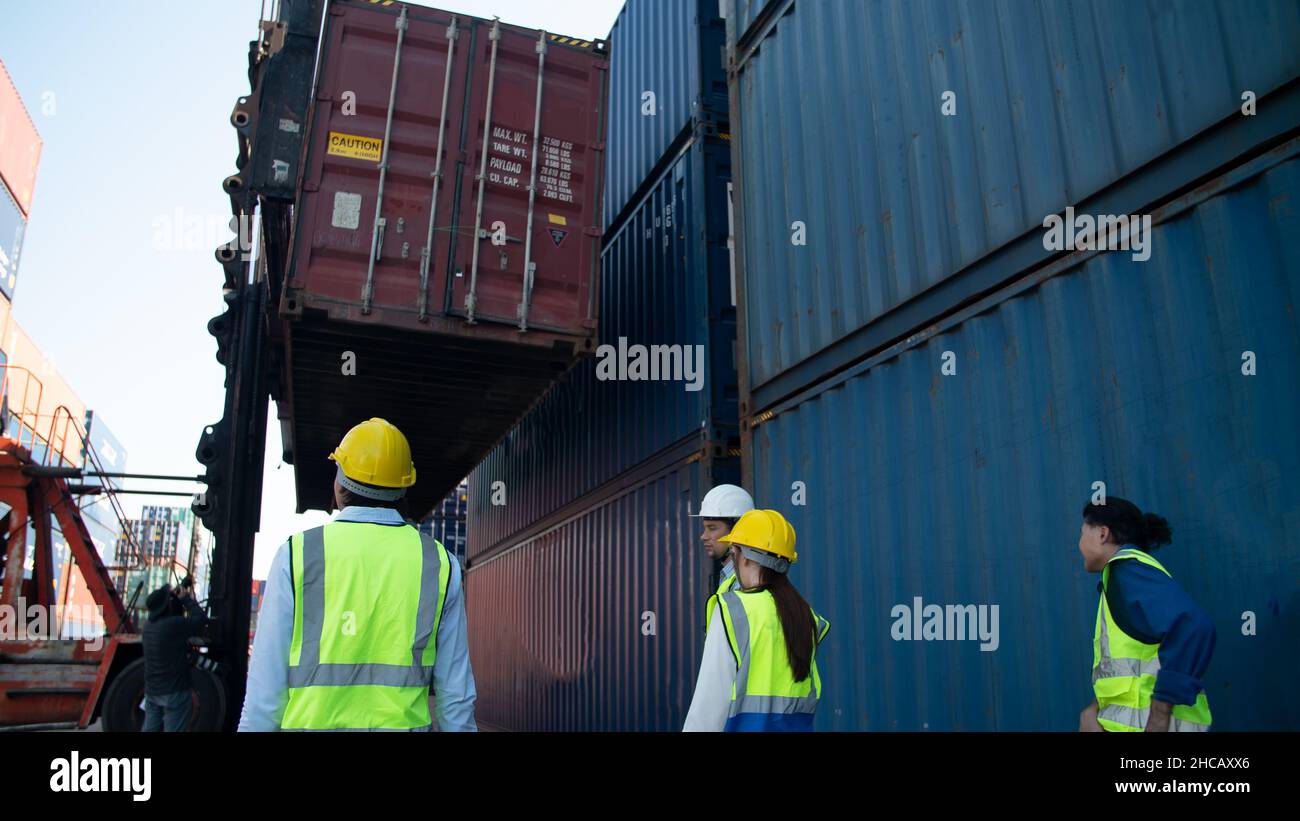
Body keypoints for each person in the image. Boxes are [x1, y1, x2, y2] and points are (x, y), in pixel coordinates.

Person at [238, 417, 477, 731]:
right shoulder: (439, 564)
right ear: (405, 486)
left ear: (339, 483)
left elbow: (264, 689)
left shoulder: (297, 554)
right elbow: (455, 696)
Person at [683, 509, 829, 731]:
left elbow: (709, 705)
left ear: (747, 556)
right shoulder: (806, 616)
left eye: (734, 551)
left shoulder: (734, 611)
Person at [1077, 496, 1214, 732]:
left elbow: (1194, 626)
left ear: (1102, 534)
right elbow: (1130, 673)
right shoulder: (1122, 576)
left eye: (1082, 534)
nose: (1078, 545)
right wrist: (1094, 710)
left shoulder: (1128, 571)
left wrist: (1159, 719)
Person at [141, 578, 209, 732]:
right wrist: (185, 598)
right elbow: (201, 619)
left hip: (152, 691)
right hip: (174, 692)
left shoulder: (148, 627)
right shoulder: (173, 625)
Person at [690, 484, 754, 634]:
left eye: (712, 528)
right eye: (705, 528)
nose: (703, 536)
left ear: (737, 530)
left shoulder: (744, 582)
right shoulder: (729, 577)